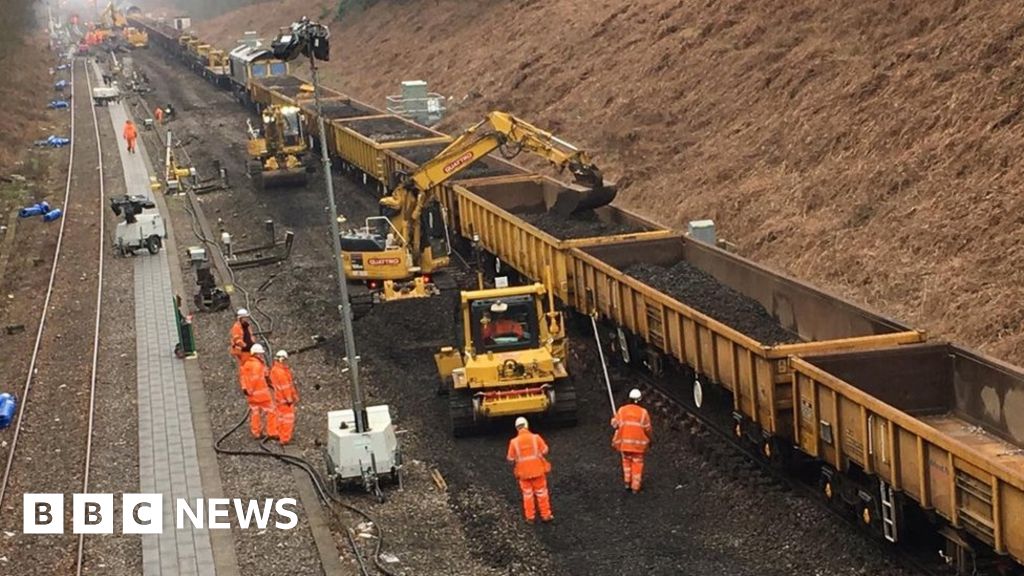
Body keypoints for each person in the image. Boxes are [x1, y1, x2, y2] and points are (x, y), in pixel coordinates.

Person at [506, 417, 553, 524]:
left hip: (523, 473)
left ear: (517, 428)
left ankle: (530, 517)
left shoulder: (513, 442)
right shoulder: (535, 438)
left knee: (527, 495)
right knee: (541, 493)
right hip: (538, 471)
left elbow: (510, 459)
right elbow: (545, 450)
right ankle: (546, 515)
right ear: (526, 425)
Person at [611, 388, 653, 493]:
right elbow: (647, 428)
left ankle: (627, 483)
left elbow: (614, 424)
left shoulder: (622, 410)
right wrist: (650, 439)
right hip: (638, 446)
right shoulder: (643, 413)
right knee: (637, 465)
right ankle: (635, 487)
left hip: (624, 444)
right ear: (640, 400)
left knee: (626, 463)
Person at [240, 343, 276, 439]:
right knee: (271, 411)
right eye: (260, 354)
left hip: (251, 395)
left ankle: (256, 432)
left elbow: (243, 378)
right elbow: (263, 376)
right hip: (261, 394)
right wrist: (272, 384)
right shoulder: (259, 365)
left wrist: (247, 390)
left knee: (255, 412)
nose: (261, 355)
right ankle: (271, 432)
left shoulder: (246, 364)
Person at [269, 350, 299, 444]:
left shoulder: (276, 370)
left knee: (281, 418)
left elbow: (288, 385)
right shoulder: (281, 372)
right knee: (288, 419)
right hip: (284, 400)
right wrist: (289, 399)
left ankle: (280, 434)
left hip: (279, 399)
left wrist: (294, 395)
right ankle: (285, 438)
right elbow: (285, 387)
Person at [230, 308, 255, 377]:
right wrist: (245, 345)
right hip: (242, 351)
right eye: (244, 317)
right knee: (244, 368)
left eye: (246, 317)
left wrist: (253, 344)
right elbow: (236, 339)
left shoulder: (247, 326)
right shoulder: (236, 327)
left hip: (249, 350)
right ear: (240, 318)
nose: (246, 319)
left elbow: (250, 335)